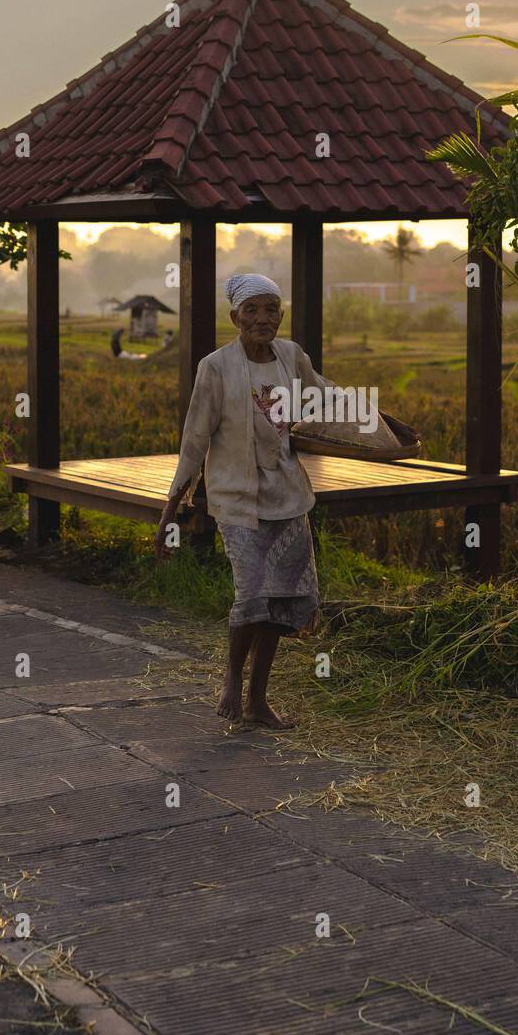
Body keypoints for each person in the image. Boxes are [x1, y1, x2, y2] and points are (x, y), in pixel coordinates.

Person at [155, 274, 329, 729]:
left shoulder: (291, 357)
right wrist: (169, 513)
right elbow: (195, 438)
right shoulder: (216, 367)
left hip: (288, 497)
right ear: (234, 318)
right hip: (237, 500)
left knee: (279, 598)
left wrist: (385, 426)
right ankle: (232, 681)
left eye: (271, 309)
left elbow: (327, 398)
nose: (262, 319)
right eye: (251, 311)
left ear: (281, 315)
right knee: (251, 594)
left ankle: (258, 699)